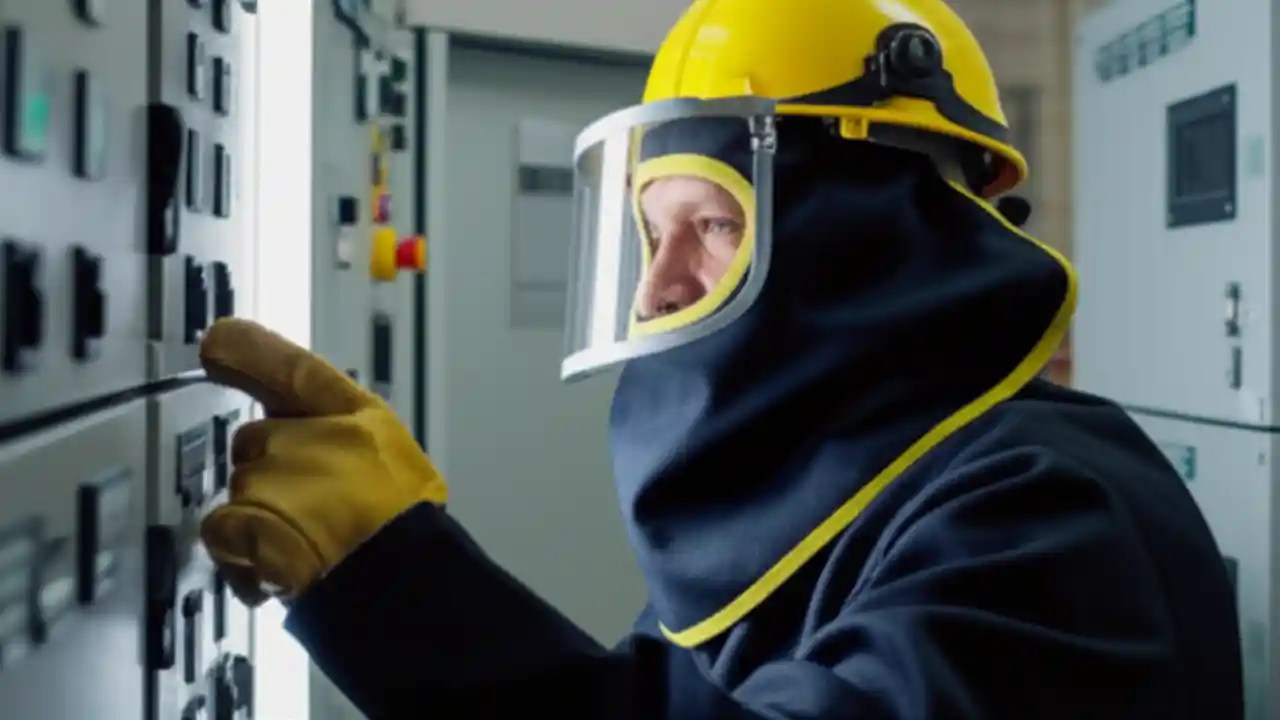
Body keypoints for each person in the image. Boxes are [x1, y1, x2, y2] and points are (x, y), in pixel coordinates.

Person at [198, 0, 1245, 717]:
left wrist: (400, 582)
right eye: (651, 237)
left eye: (713, 224)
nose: (656, 290)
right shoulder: (833, 496)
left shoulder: (1045, 516)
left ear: (880, 223)